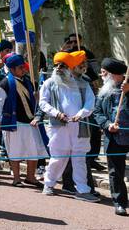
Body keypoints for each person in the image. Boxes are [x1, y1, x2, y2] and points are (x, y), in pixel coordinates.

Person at [38, 50, 98, 200]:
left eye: (62, 65)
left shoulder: (83, 83)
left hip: (79, 126)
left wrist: (80, 114)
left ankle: (83, 190)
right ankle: (49, 184)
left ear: (70, 67)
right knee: (58, 157)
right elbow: (43, 103)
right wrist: (56, 113)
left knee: (79, 158)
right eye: (56, 65)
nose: (58, 68)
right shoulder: (49, 83)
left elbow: (90, 103)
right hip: (59, 126)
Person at [0, 53, 47, 187]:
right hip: (13, 122)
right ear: (12, 69)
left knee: (33, 151)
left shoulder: (30, 81)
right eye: (20, 67)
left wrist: (36, 96)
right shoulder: (5, 83)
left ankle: (30, 177)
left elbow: (37, 100)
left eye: (24, 67)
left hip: (30, 122)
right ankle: (16, 178)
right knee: (14, 150)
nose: (24, 69)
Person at [90, 57, 129, 216]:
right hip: (113, 138)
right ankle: (119, 203)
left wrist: (127, 93)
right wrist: (107, 125)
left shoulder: (128, 88)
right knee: (115, 172)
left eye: (104, 72)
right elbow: (97, 112)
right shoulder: (103, 91)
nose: (101, 75)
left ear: (115, 74)